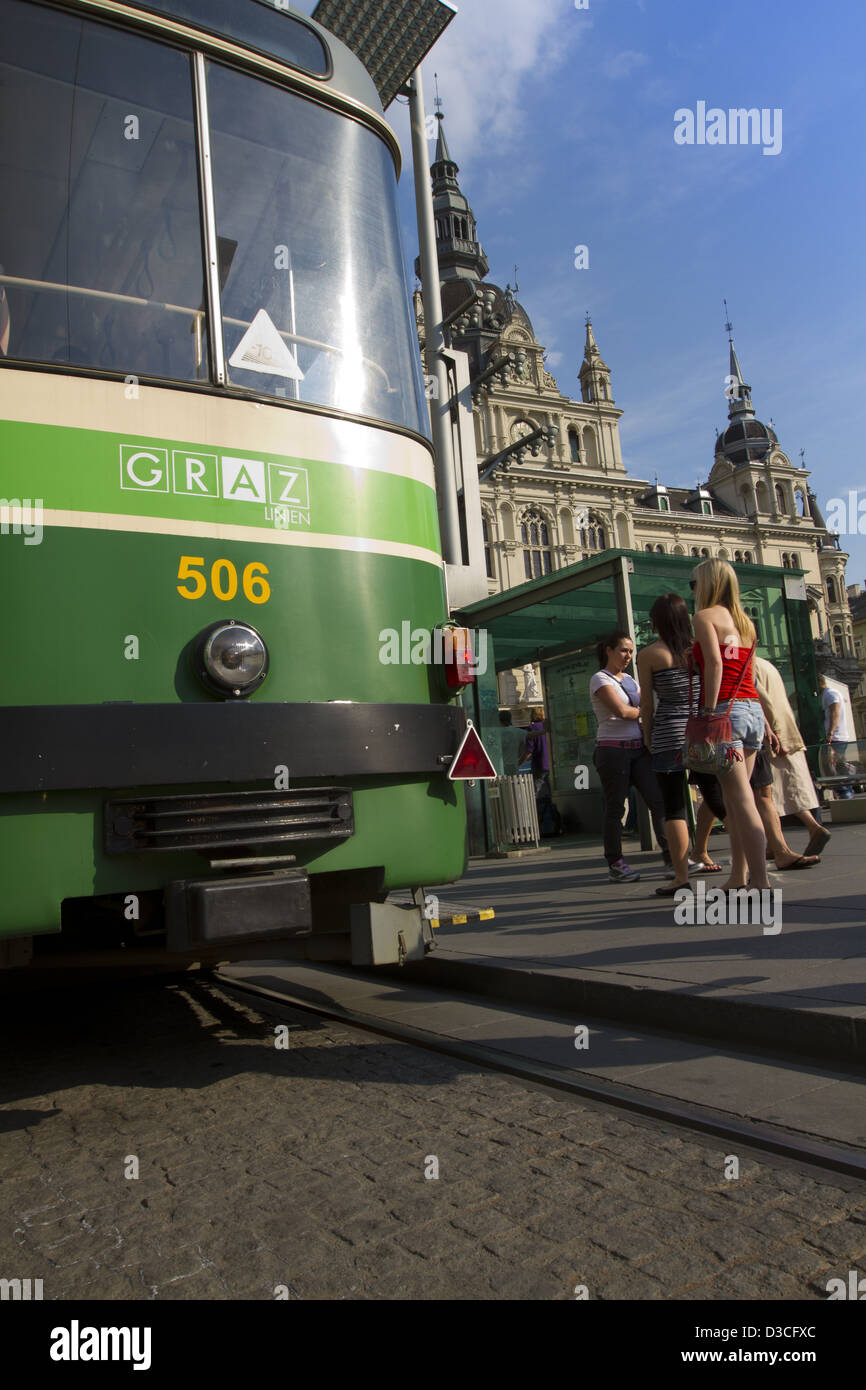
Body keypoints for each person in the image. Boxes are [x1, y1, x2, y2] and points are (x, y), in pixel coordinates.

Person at [691, 558, 769, 892]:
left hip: (726, 712)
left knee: (740, 801)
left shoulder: (704, 617)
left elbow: (714, 663)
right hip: (750, 709)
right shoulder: (745, 623)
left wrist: (709, 712)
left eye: (695, 584)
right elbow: (748, 674)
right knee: (738, 800)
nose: (693, 590)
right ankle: (739, 876)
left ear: (707, 584)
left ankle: (761, 882)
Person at [590, 630, 669, 883]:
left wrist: (645, 711)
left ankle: (673, 856)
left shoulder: (631, 680)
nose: (628, 656)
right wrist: (644, 711)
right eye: (623, 650)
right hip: (612, 751)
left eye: (631, 651)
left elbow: (647, 705)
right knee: (616, 807)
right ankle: (615, 862)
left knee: (658, 801)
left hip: (639, 749)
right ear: (609, 651)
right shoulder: (599, 679)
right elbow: (623, 711)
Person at [637, 594, 701, 896]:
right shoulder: (698, 650)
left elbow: (647, 704)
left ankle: (680, 876)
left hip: (669, 735)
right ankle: (747, 864)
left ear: (657, 622)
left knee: (674, 808)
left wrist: (647, 736)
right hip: (703, 733)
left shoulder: (650, 654)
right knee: (718, 797)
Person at [754, 658, 830, 858]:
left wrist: (774, 732)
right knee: (786, 788)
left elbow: (763, 701)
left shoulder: (750, 665)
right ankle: (809, 829)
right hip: (787, 730)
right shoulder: (767, 665)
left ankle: (779, 844)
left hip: (774, 735)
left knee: (769, 793)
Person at [819, 675, 854, 799]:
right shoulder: (828, 694)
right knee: (838, 764)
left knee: (835, 765)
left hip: (837, 736)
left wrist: (830, 732)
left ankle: (846, 792)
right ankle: (845, 791)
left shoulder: (830, 693)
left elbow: (835, 712)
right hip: (837, 735)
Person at [498, 710, 527, 776]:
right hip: (512, 766)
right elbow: (530, 735)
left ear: (499, 719)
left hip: (500, 766)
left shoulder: (495, 733)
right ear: (510, 719)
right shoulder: (517, 732)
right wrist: (543, 731)